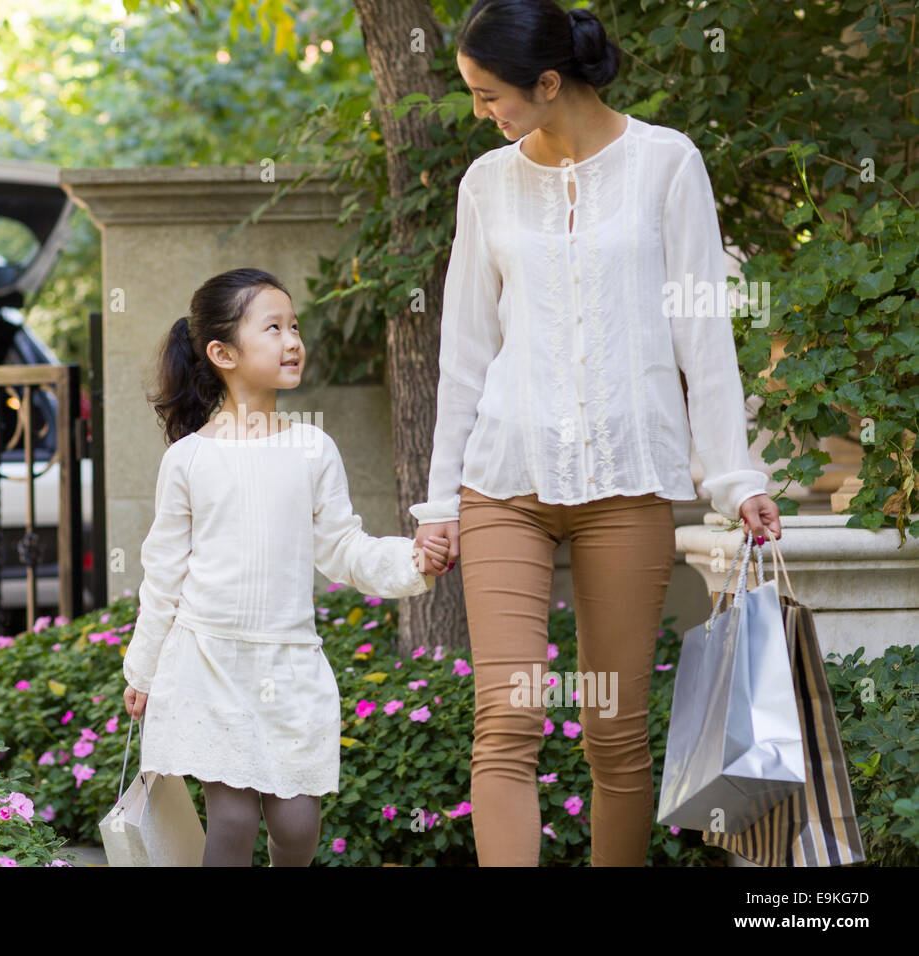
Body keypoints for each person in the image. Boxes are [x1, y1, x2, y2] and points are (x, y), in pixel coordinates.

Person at [411, 0, 784, 867]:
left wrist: (736, 477)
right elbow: (465, 352)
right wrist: (439, 500)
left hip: (631, 484)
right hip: (505, 479)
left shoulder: (665, 164)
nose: (482, 112)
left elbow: (704, 332)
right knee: (507, 716)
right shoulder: (486, 183)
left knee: (614, 728)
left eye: (490, 93)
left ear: (549, 83)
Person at [120, 267, 450, 867]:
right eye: (273, 327)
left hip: (290, 663)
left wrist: (413, 560)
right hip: (210, 662)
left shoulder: (312, 449)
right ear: (222, 352)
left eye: (294, 325)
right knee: (233, 819)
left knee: (298, 824)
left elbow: (344, 548)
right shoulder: (189, 459)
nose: (293, 340)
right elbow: (162, 575)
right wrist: (142, 670)